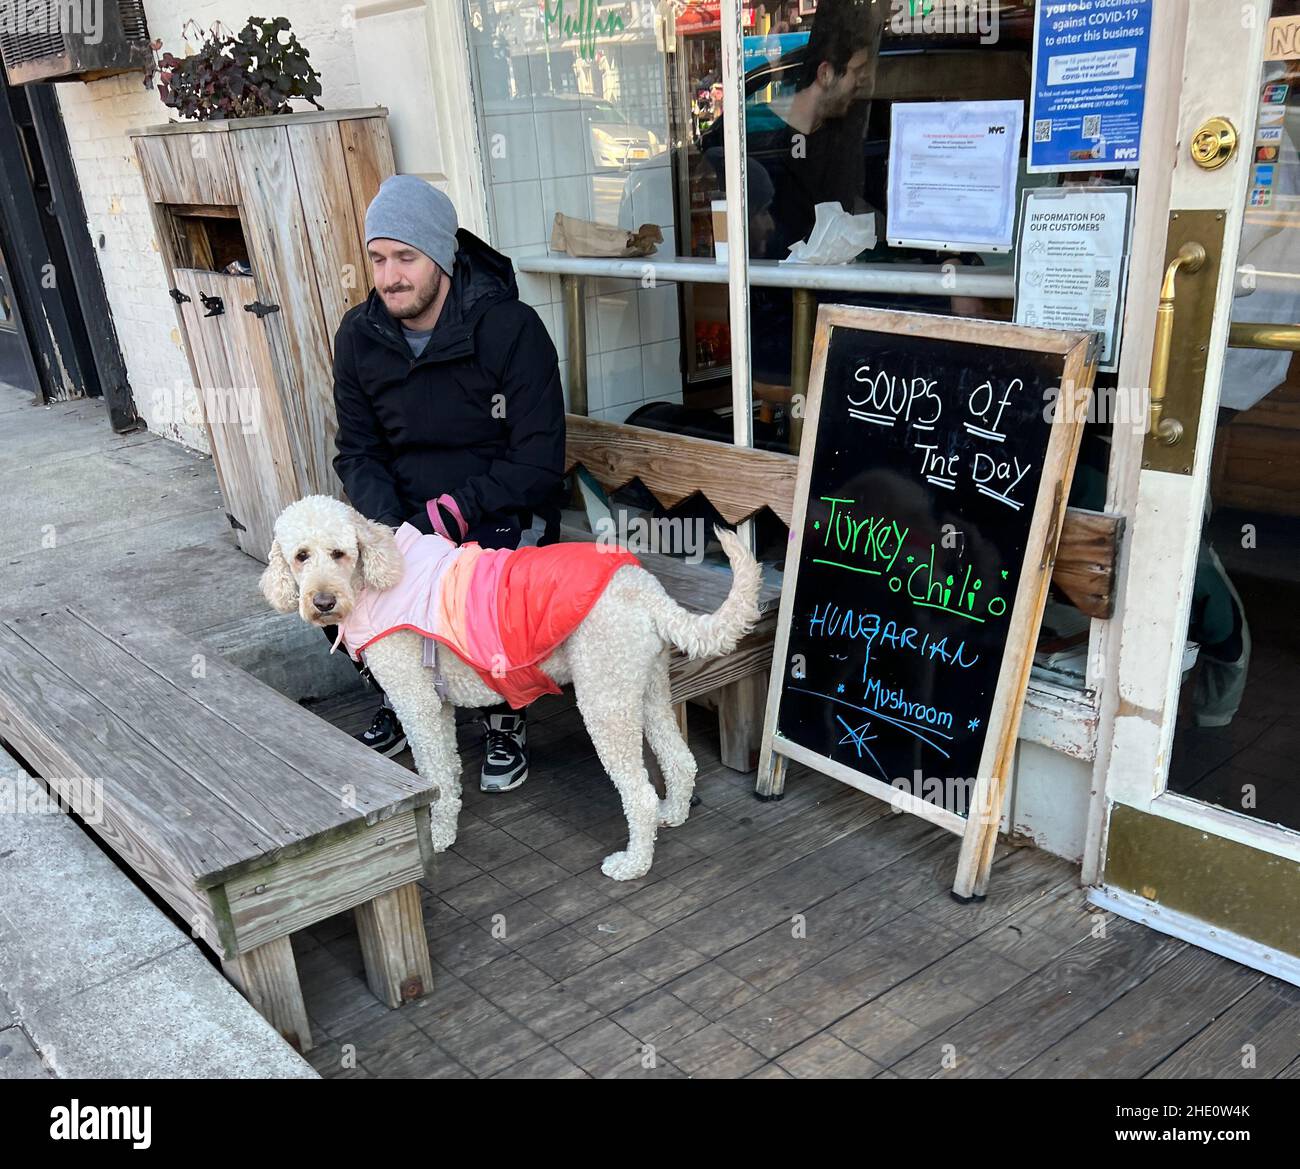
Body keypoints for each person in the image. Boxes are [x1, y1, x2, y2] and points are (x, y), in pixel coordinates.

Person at [328, 174, 565, 791]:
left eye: (406, 257)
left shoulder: (510, 328)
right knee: (340, 563)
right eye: (378, 259)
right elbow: (357, 450)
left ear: (442, 257)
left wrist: (457, 509)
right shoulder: (359, 336)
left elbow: (539, 459)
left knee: (477, 578)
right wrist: (386, 529)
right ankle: (403, 692)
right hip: (403, 509)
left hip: (498, 505)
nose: (390, 277)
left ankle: (499, 710)